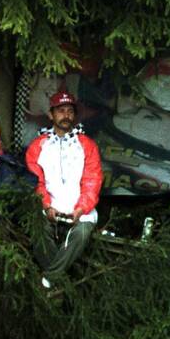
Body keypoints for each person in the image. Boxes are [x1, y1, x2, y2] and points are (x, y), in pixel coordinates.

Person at [25, 90, 103, 290]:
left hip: (79, 212)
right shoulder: (37, 146)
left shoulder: (87, 145)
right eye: (61, 110)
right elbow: (36, 182)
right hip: (49, 209)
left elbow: (92, 181)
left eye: (70, 111)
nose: (66, 115)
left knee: (82, 233)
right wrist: (47, 206)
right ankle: (60, 284)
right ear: (51, 114)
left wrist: (81, 208)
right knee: (37, 230)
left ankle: (50, 280)